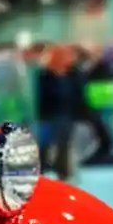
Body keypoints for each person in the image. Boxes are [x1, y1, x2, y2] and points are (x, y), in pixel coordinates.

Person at [36, 45, 83, 180]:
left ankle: (63, 173)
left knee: (64, 144)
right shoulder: (44, 75)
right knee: (44, 145)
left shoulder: (73, 74)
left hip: (67, 114)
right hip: (48, 115)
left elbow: (78, 94)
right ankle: (41, 172)